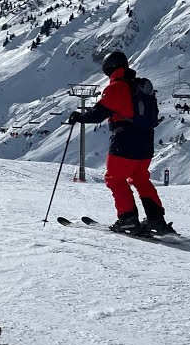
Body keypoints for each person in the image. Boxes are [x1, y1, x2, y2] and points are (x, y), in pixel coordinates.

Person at [67, 50, 175, 235]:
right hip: (146, 143)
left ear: (109, 68)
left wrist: (79, 117)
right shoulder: (138, 87)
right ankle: (156, 220)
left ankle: (128, 220)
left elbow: (98, 113)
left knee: (115, 179)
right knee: (141, 179)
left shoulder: (117, 87)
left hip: (125, 142)